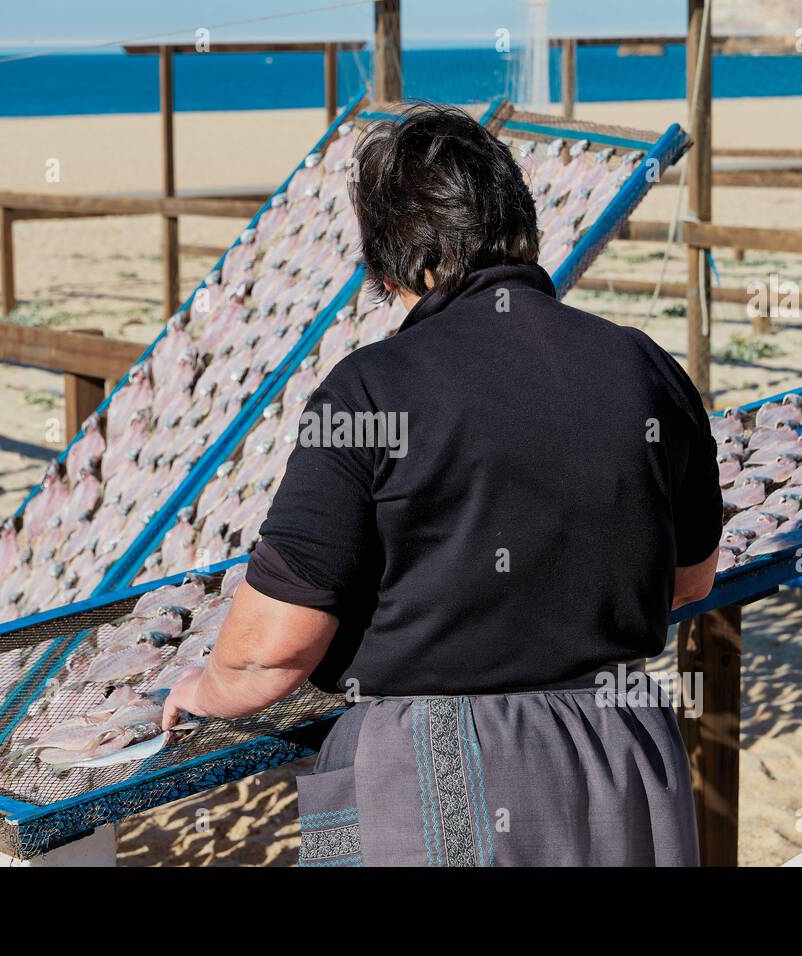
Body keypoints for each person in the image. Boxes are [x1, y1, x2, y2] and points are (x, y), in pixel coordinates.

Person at [163, 103, 722, 867]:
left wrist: (206, 685)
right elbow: (690, 582)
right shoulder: (647, 367)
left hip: (436, 766)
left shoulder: (369, 391)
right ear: (522, 234)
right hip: (618, 756)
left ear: (399, 268)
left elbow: (275, 652)